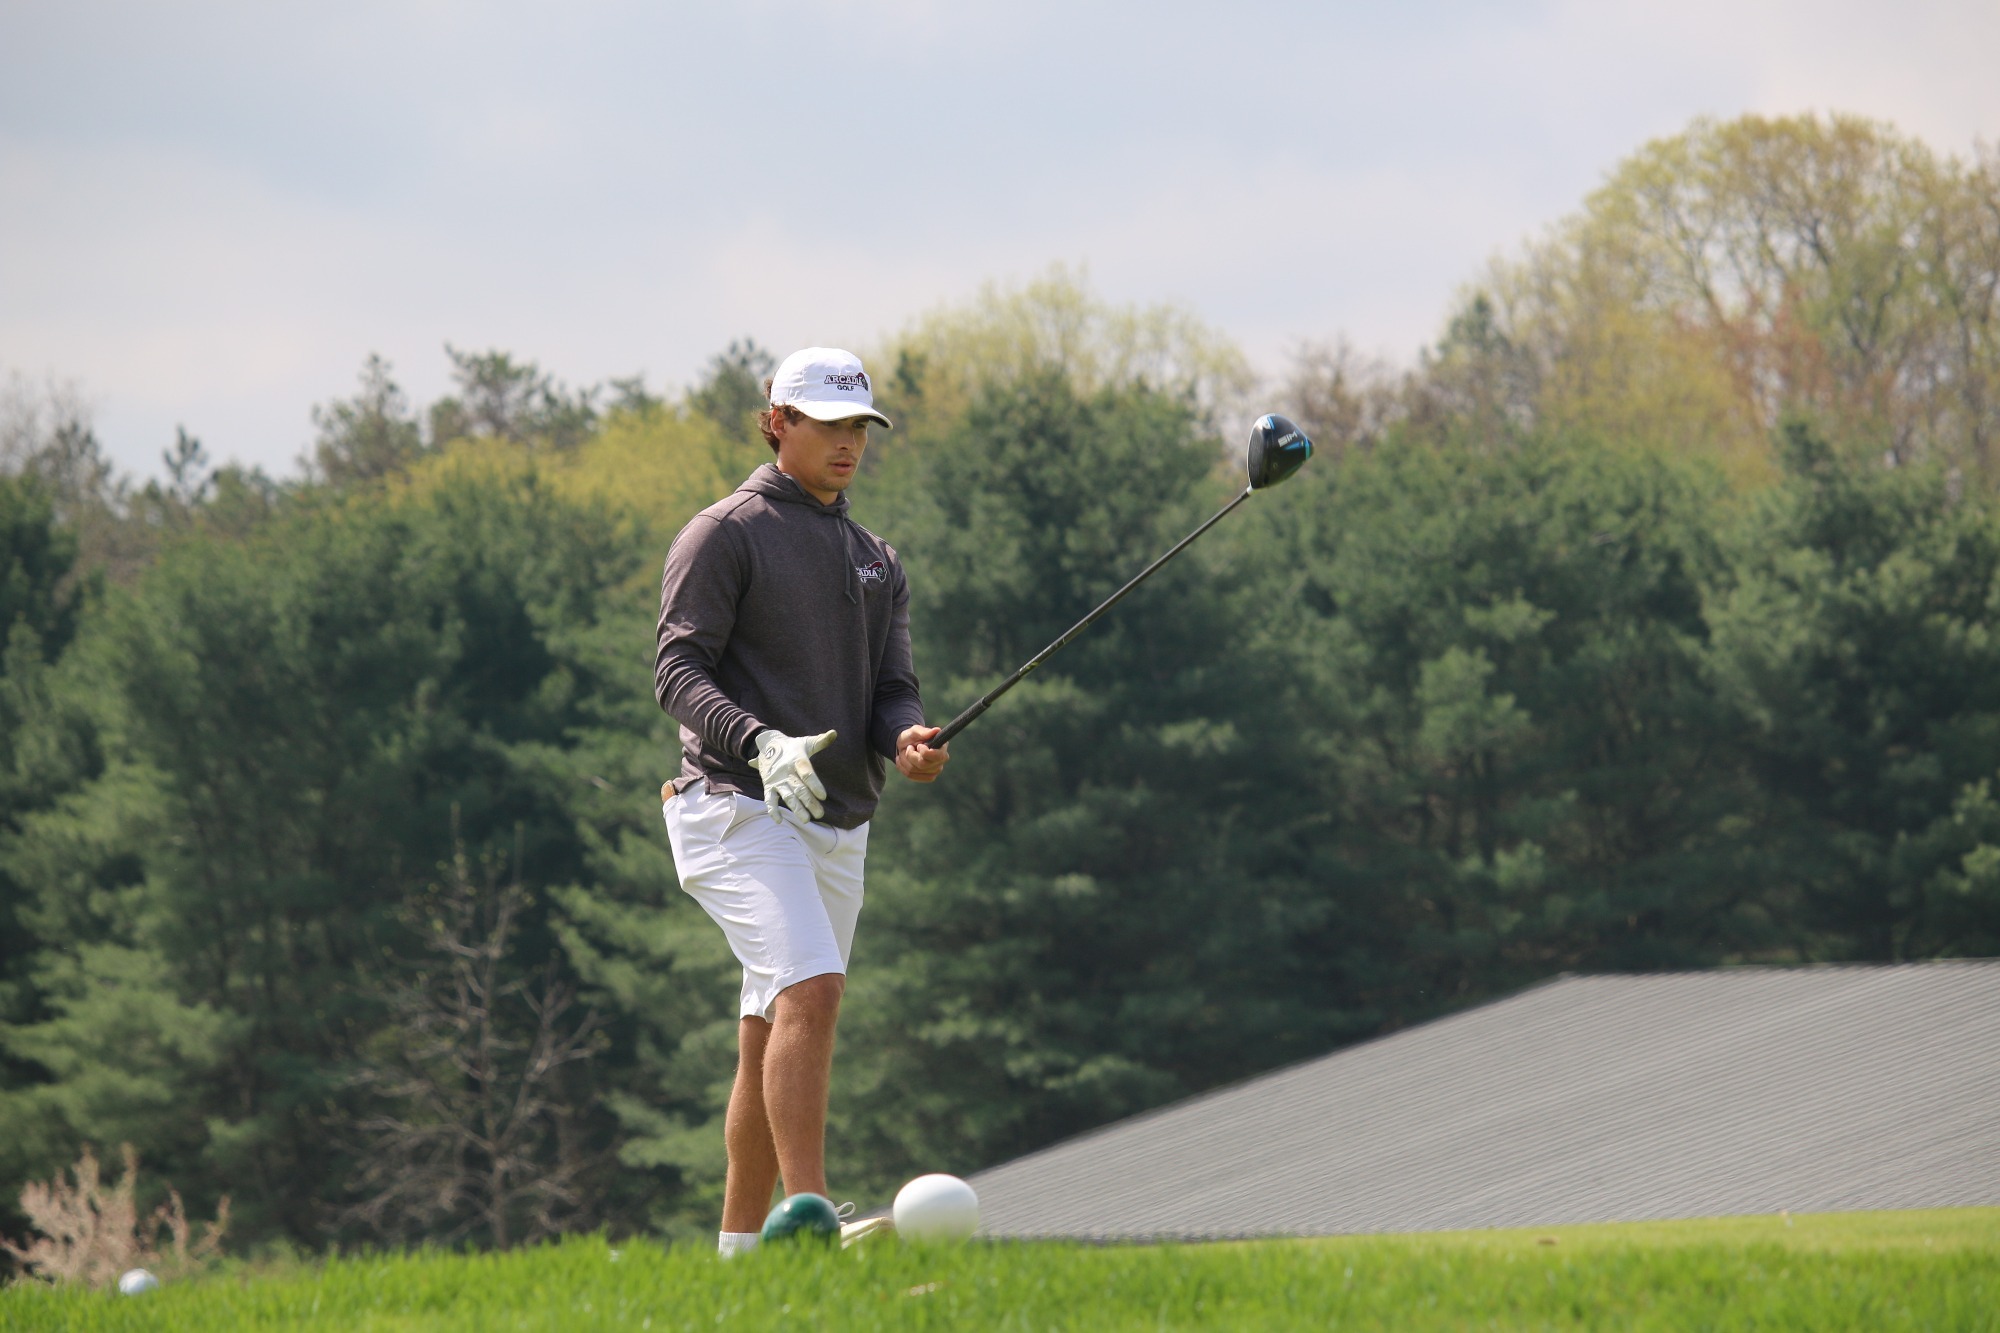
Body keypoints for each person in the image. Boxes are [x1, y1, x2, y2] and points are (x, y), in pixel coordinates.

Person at [654, 346, 948, 1257]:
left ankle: (741, 1257)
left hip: (837, 819)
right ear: (778, 422)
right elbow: (675, 667)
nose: (847, 442)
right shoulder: (724, 532)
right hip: (732, 803)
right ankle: (813, 1220)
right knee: (813, 991)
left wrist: (905, 737)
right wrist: (758, 740)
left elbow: (891, 685)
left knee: (769, 1030)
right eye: (827, 423)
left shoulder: (875, 558)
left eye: (859, 426)